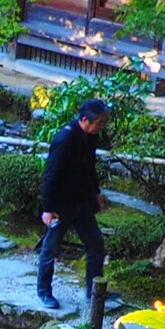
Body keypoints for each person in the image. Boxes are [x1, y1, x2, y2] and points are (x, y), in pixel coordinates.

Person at [36, 97, 110, 311]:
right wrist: (48, 209)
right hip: (61, 205)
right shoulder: (65, 139)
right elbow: (50, 175)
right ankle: (44, 291)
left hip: (81, 202)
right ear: (85, 120)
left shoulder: (90, 138)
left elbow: (89, 168)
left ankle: (93, 291)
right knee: (50, 248)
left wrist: (95, 193)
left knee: (95, 244)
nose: (102, 127)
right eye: (100, 123)